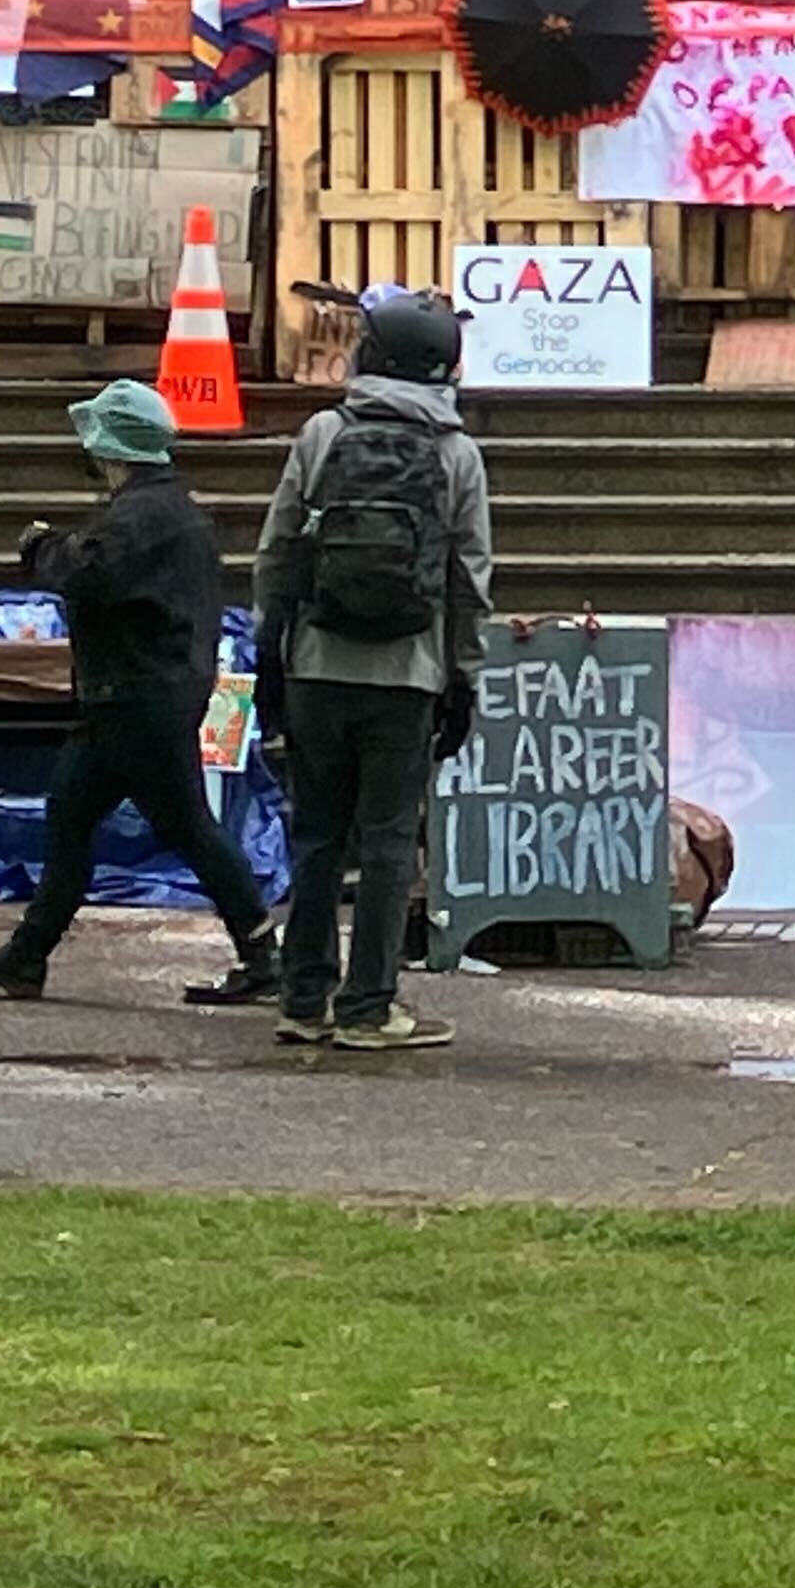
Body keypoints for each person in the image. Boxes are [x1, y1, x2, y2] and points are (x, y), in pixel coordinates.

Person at [0, 380, 285, 1005]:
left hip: (139, 698)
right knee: (71, 813)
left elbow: (86, 574)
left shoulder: (140, 517)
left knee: (185, 827)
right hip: (136, 695)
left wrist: (40, 546)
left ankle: (263, 952)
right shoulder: (171, 509)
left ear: (110, 446)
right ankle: (27, 955)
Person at [253, 289, 492, 1052]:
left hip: (317, 665)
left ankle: (301, 996)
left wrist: (273, 649)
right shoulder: (457, 453)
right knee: (391, 842)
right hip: (407, 674)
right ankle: (369, 1007)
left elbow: (278, 550)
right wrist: (463, 676)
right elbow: (469, 580)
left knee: (317, 836)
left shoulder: (322, 434)